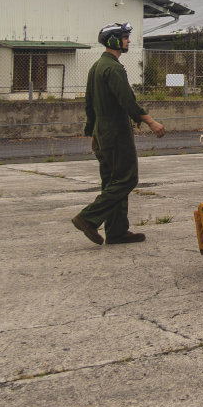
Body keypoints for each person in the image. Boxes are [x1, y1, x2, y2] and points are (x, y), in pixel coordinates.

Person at [72, 23, 165, 246]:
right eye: (124, 37)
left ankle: (116, 231)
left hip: (102, 133)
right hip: (116, 132)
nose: (128, 41)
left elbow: (89, 104)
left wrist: (92, 133)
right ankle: (88, 217)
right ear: (113, 40)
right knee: (127, 178)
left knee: (112, 181)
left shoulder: (97, 66)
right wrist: (150, 121)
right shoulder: (112, 68)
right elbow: (127, 101)